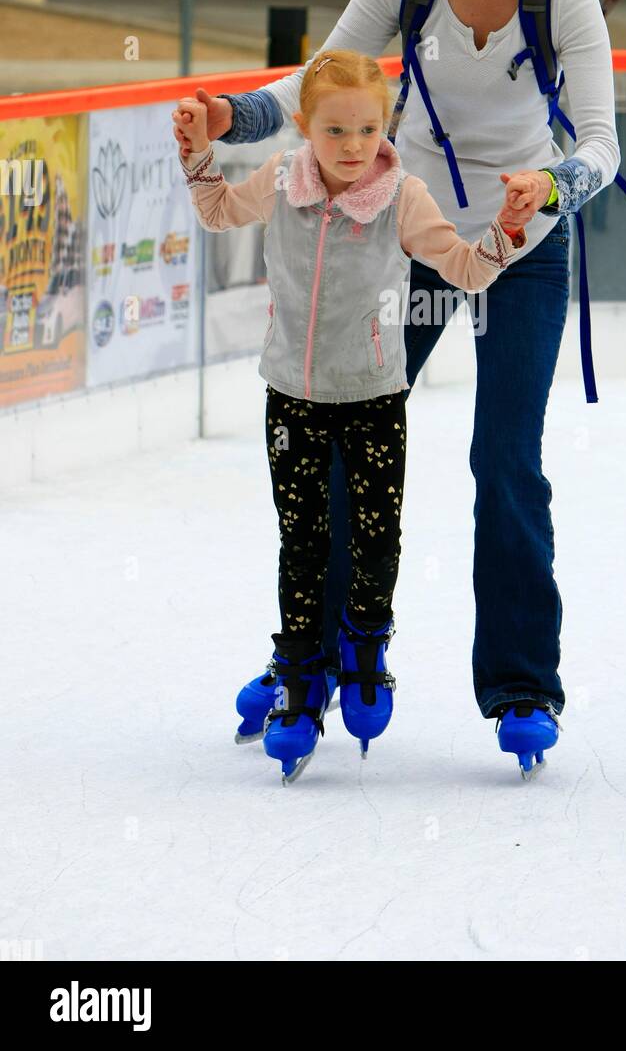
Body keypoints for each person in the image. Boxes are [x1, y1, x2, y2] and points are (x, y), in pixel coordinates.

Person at [173, 0, 620, 776]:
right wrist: (232, 115)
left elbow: (600, 144)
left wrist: (549, 184)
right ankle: (309, 659)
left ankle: (520, 686)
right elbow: (318, 84)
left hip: (519, 248)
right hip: (403, 233)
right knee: (340, 434)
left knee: (504, 460)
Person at [172, 48, 526, 782]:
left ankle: (366, 643)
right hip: (291, 397)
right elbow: (213, 212)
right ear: (302, 126)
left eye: (367, 130)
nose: (353, 147)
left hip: (372, 397)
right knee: (301, 545)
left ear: (385, 124)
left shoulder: (402, 196)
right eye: (335, 132)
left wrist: (507, 231)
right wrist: (198, 151)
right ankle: (301, 688)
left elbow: (462, 269)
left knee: (374, 538)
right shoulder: (280, 183)